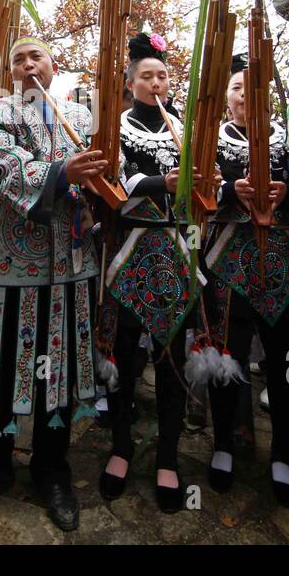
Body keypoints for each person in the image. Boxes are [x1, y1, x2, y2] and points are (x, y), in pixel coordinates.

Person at [0, 35, 107, 531]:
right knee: (4, 356)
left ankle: (51, 466)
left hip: (73, 259)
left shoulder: (81, 116)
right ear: (9, 71)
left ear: (54, 65)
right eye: (18, 58)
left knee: (59, 359)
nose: (28, 63)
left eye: (36, 55)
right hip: (15, 257)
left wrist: (99, 184)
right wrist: (62, 171)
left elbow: (106, 167)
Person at [203, 55, 289, 506]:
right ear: (228, 99)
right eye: (236, 88)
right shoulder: (209, 141)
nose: (244, 96)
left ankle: (282, 453)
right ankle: (222, 444)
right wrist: (225, 191)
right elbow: (193, 188)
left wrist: (287, 192)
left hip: (284, 262)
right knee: (227, 355)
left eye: (252, 89)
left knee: (285, 358)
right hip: (228, 261)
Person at [99, 32, 201, 513]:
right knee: (123, 354)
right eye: (147, 76)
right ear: (131, 81)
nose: (156, 82)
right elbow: (117, 181)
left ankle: (168, 456)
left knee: (171, 356)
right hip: (129, 249)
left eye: (162, 75)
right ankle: (120, 448)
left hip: (177, 250)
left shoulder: (188, 127)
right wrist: (165, 181)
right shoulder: (113, 126)